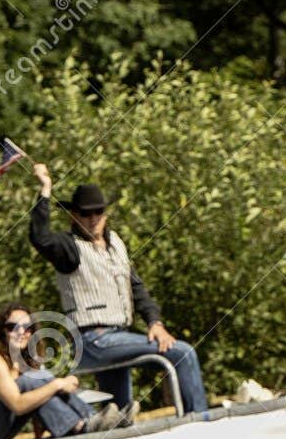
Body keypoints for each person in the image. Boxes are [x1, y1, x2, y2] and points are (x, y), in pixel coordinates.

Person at [28, 166, 209, 418]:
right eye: (85, 213)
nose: (93, 219)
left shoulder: (115, 244)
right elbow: (40, 238)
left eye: (98, 212)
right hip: (93, 340)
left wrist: (154, 322)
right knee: (183, 353)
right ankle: (200, 421)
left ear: (105, 213)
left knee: (120, 413)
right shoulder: (69, 248)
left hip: (117, 336)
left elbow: (136, 288)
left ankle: (113, 431)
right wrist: (45, 189)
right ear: (73, 215)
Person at [0, 301, 101, 439]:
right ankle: (87, 421)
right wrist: (57, 384)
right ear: (1, 331)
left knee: (38, 379)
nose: (21, 332)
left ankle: (88, 421)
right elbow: (17, 405)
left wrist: (63, 384)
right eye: (12, 327)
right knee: (33, 380)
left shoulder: (22, 362)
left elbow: (37, 401)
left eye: (27, 327)